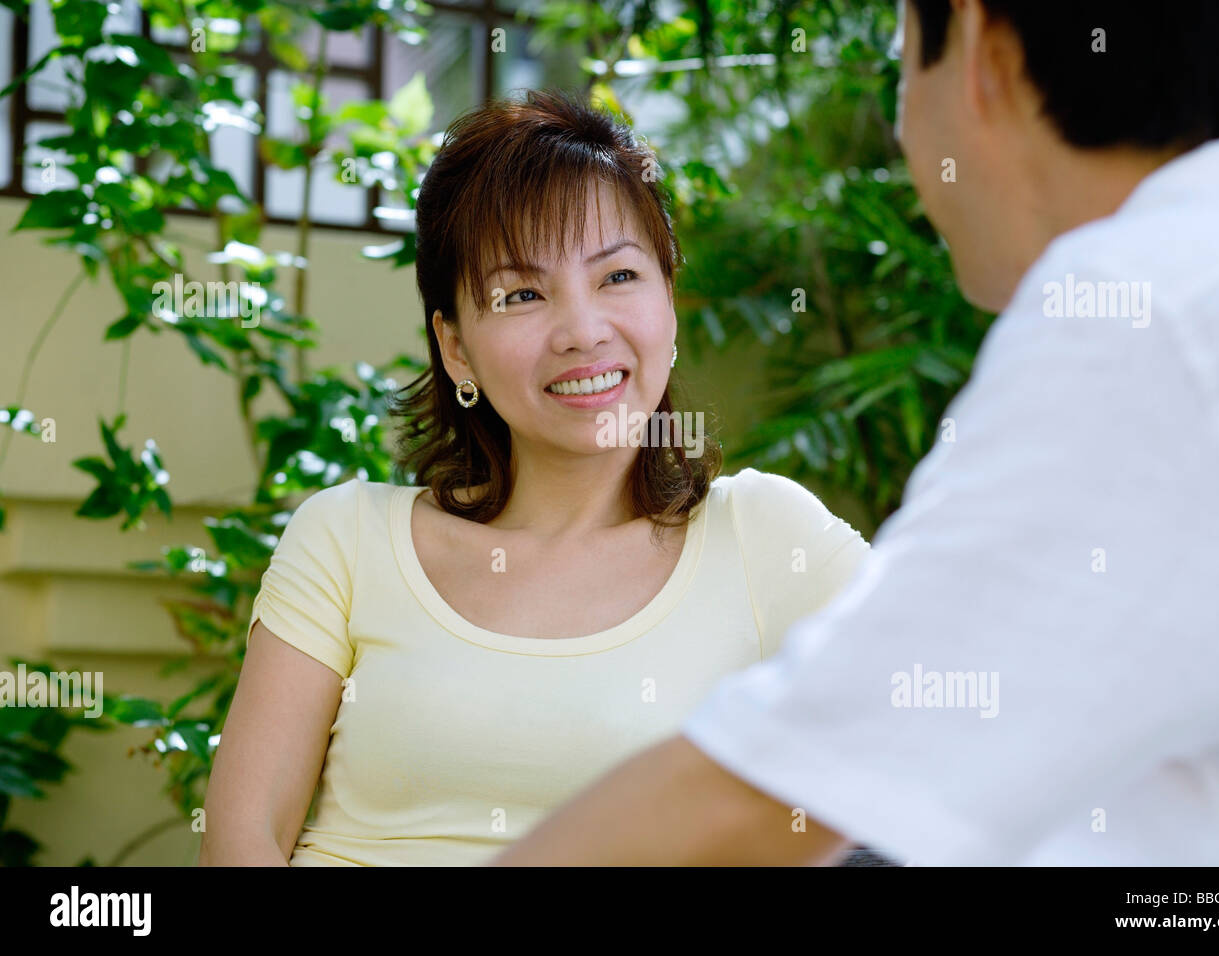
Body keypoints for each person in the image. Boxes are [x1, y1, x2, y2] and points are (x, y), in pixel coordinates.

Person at [490, 0, 1219, 866]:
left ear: (982, 47)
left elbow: (758, 801)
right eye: (521, 292)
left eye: (905, 55)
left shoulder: (1149, 311)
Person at [198, 90, 870, 866]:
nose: (582, 331)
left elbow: (958, 741)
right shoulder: (346, 539)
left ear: (670, 303)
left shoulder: (768, 538)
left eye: (618, 277)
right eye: (521, 294)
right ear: (454, 348)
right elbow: (243, 838)